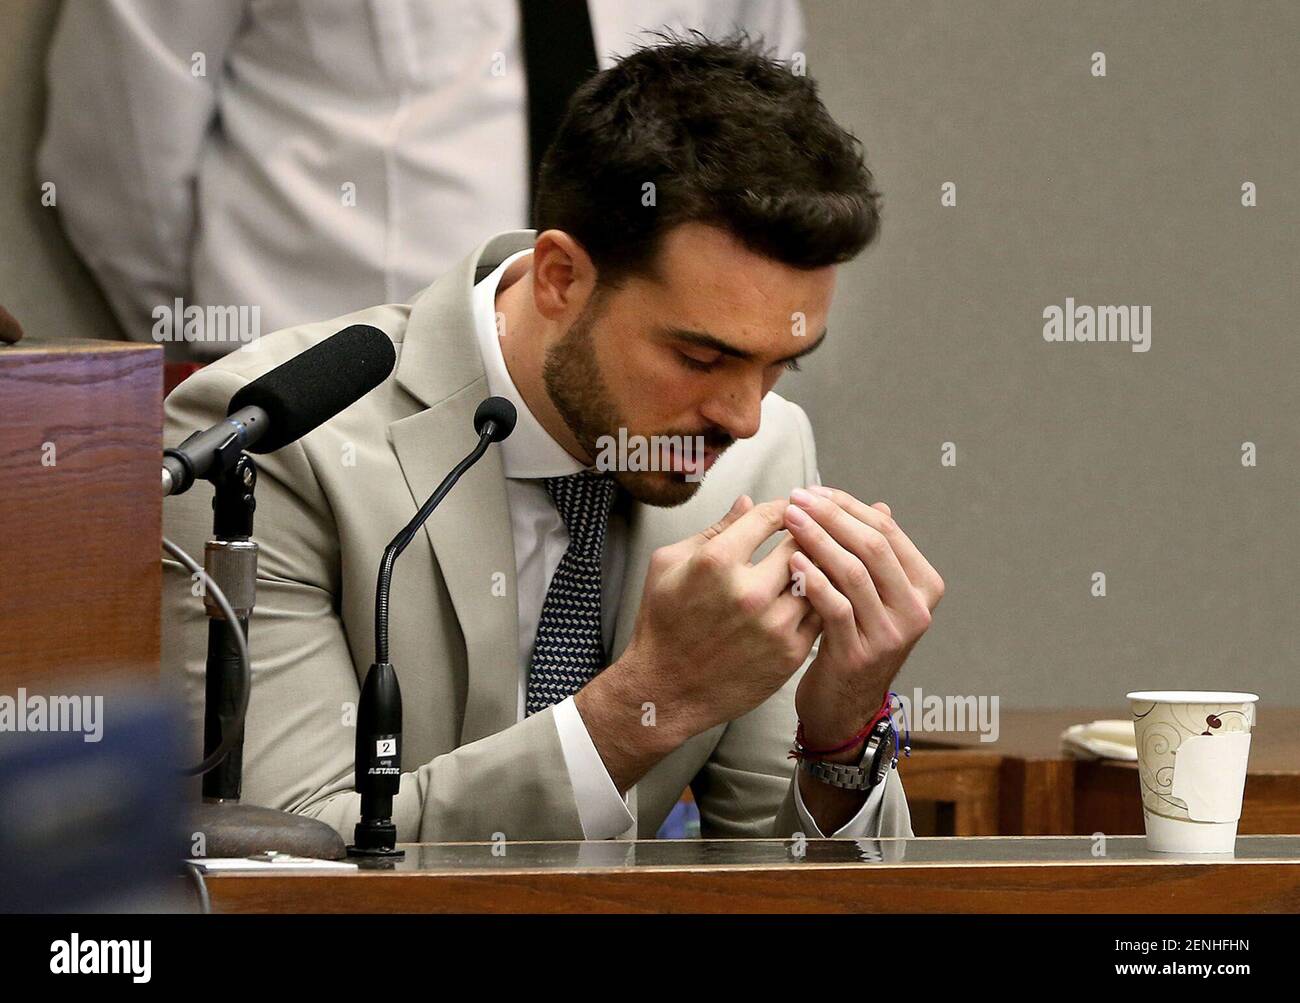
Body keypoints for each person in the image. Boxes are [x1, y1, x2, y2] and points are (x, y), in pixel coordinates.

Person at [160, 35, 943, 842]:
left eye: (784, 365)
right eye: (702, 357)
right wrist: (651, 700)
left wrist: (842, 741)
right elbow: (294, 853)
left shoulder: (768, 447)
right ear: (562, 277)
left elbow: (767, 869)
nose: (741, 417)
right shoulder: (274, 441)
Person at [39, 0, 803, 360]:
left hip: (638, 422)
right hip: (331, 414)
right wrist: (231, 348)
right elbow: (117, 145)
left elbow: (758, 138)